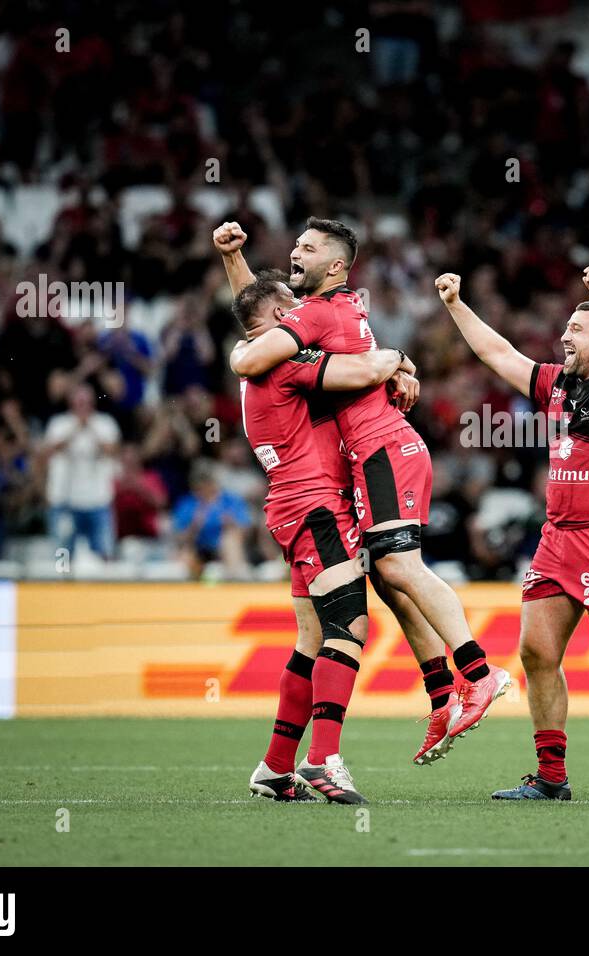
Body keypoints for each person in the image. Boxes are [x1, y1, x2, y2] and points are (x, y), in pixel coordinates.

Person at [214, 222, 509, 769]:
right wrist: (393, 359)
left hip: (378, 452)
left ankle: (478, 673)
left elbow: (258, 342)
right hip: (353, 469)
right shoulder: (314, 320)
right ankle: (442, 693)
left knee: (396, 570)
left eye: (307, 247)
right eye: (296, 244)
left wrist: (390, 361)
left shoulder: (318, 316)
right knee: (386, 576)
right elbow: (261, 312)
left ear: (336, 266)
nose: (295, 252)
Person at [437, 263, 589, 804]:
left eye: (575, 329)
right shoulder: (556, 383)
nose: (563, 336)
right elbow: (497, 354)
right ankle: (551, 777)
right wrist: (456, 303)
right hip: (557, 539)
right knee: (536, 653)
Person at [42, 383, 119, 560]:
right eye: (79, 403)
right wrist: (76, 428)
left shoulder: (104, 423)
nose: (83, 407)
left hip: (98, 500)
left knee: (105, 555)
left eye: (86, 403)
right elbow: (49, 451)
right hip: (64, 501)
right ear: (71, 403)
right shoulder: (59, 423)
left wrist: (89, 427)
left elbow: (112, 450)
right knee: (62, 556)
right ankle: (60, 587)